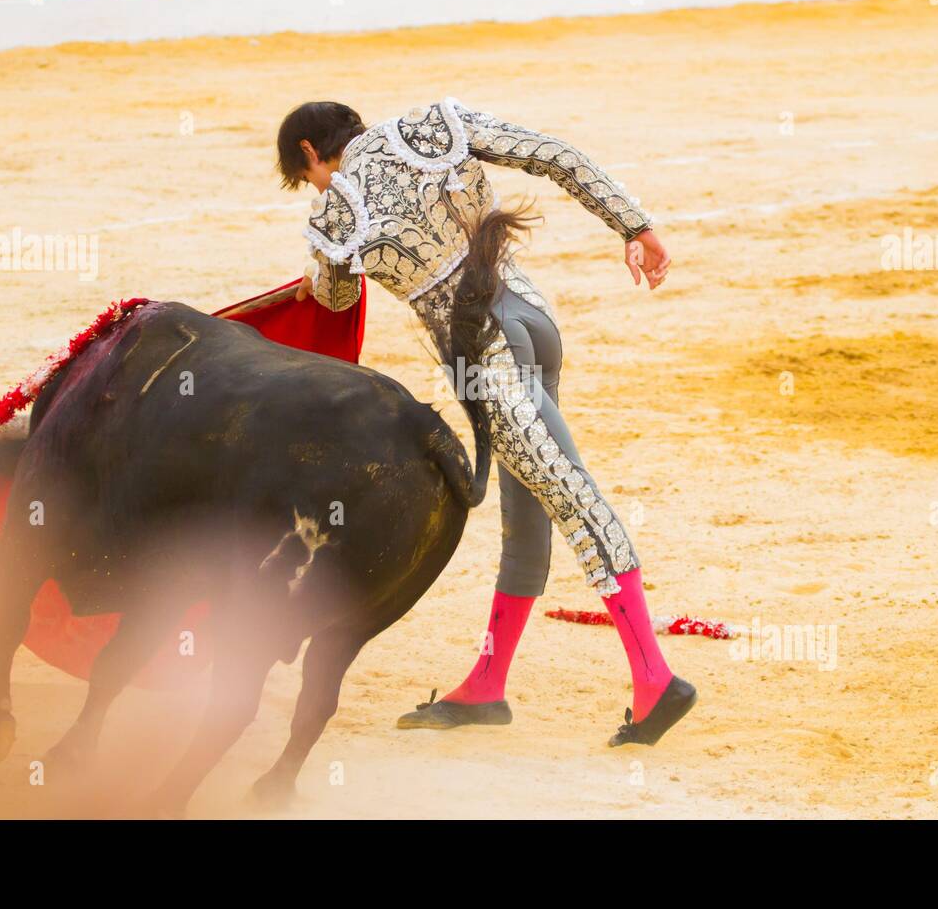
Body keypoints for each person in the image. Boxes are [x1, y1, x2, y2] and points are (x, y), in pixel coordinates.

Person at [276, 97, 695, 746]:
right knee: (528, 509)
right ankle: (487, 686)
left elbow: (337, 297)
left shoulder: (336, 211)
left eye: (306, 177)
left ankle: (655, 680)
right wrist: (634, 227)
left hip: (482, 353)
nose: (315, 189)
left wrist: (315, 276)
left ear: (309, 151)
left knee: (571, 496)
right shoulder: (432, 124)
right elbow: (556, 155)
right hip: (530, 315)